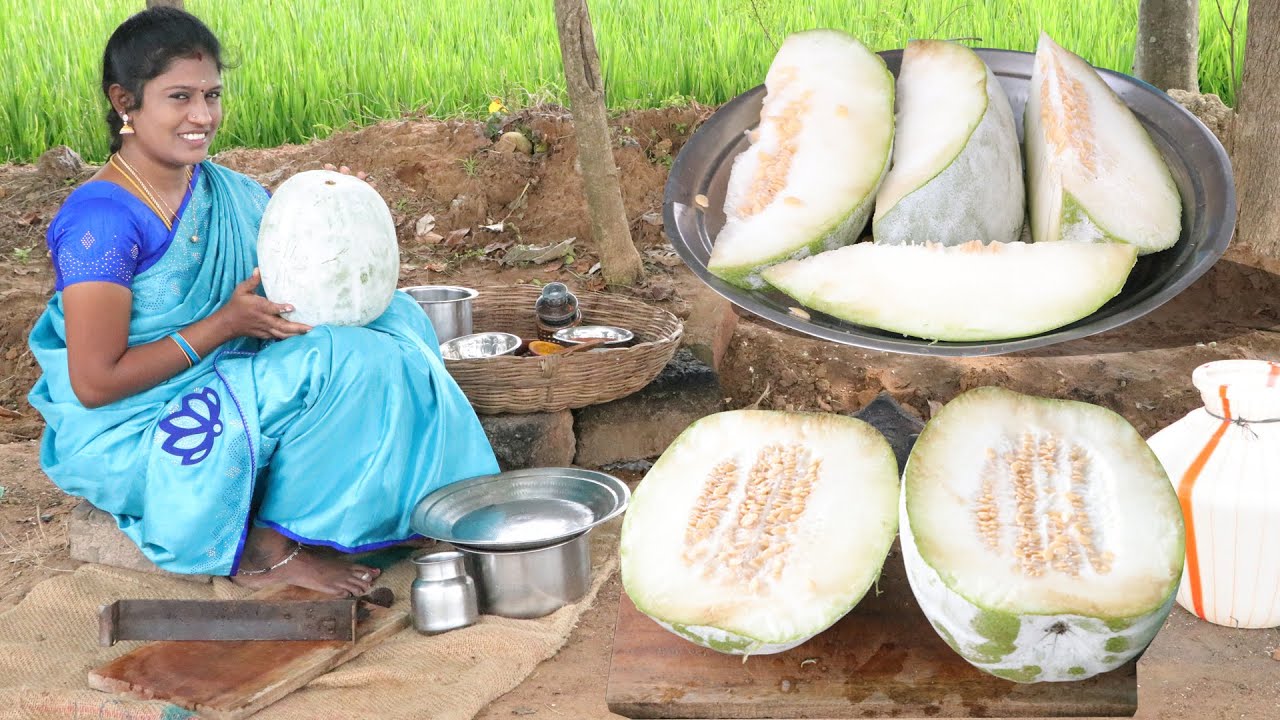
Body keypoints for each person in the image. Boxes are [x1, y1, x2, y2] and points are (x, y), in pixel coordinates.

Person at [27, 7, 499, 597]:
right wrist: (223, 326)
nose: (202, 116)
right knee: (342, 359)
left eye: (211, 95)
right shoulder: (100, 219)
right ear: (126, 101)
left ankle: (401, 505)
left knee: (396, 319)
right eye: (179, 97)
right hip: (136, 419)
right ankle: (263, 548)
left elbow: (290, 278)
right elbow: (96, 383)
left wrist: (338, 227)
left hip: (225, 362)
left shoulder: (225, 190)